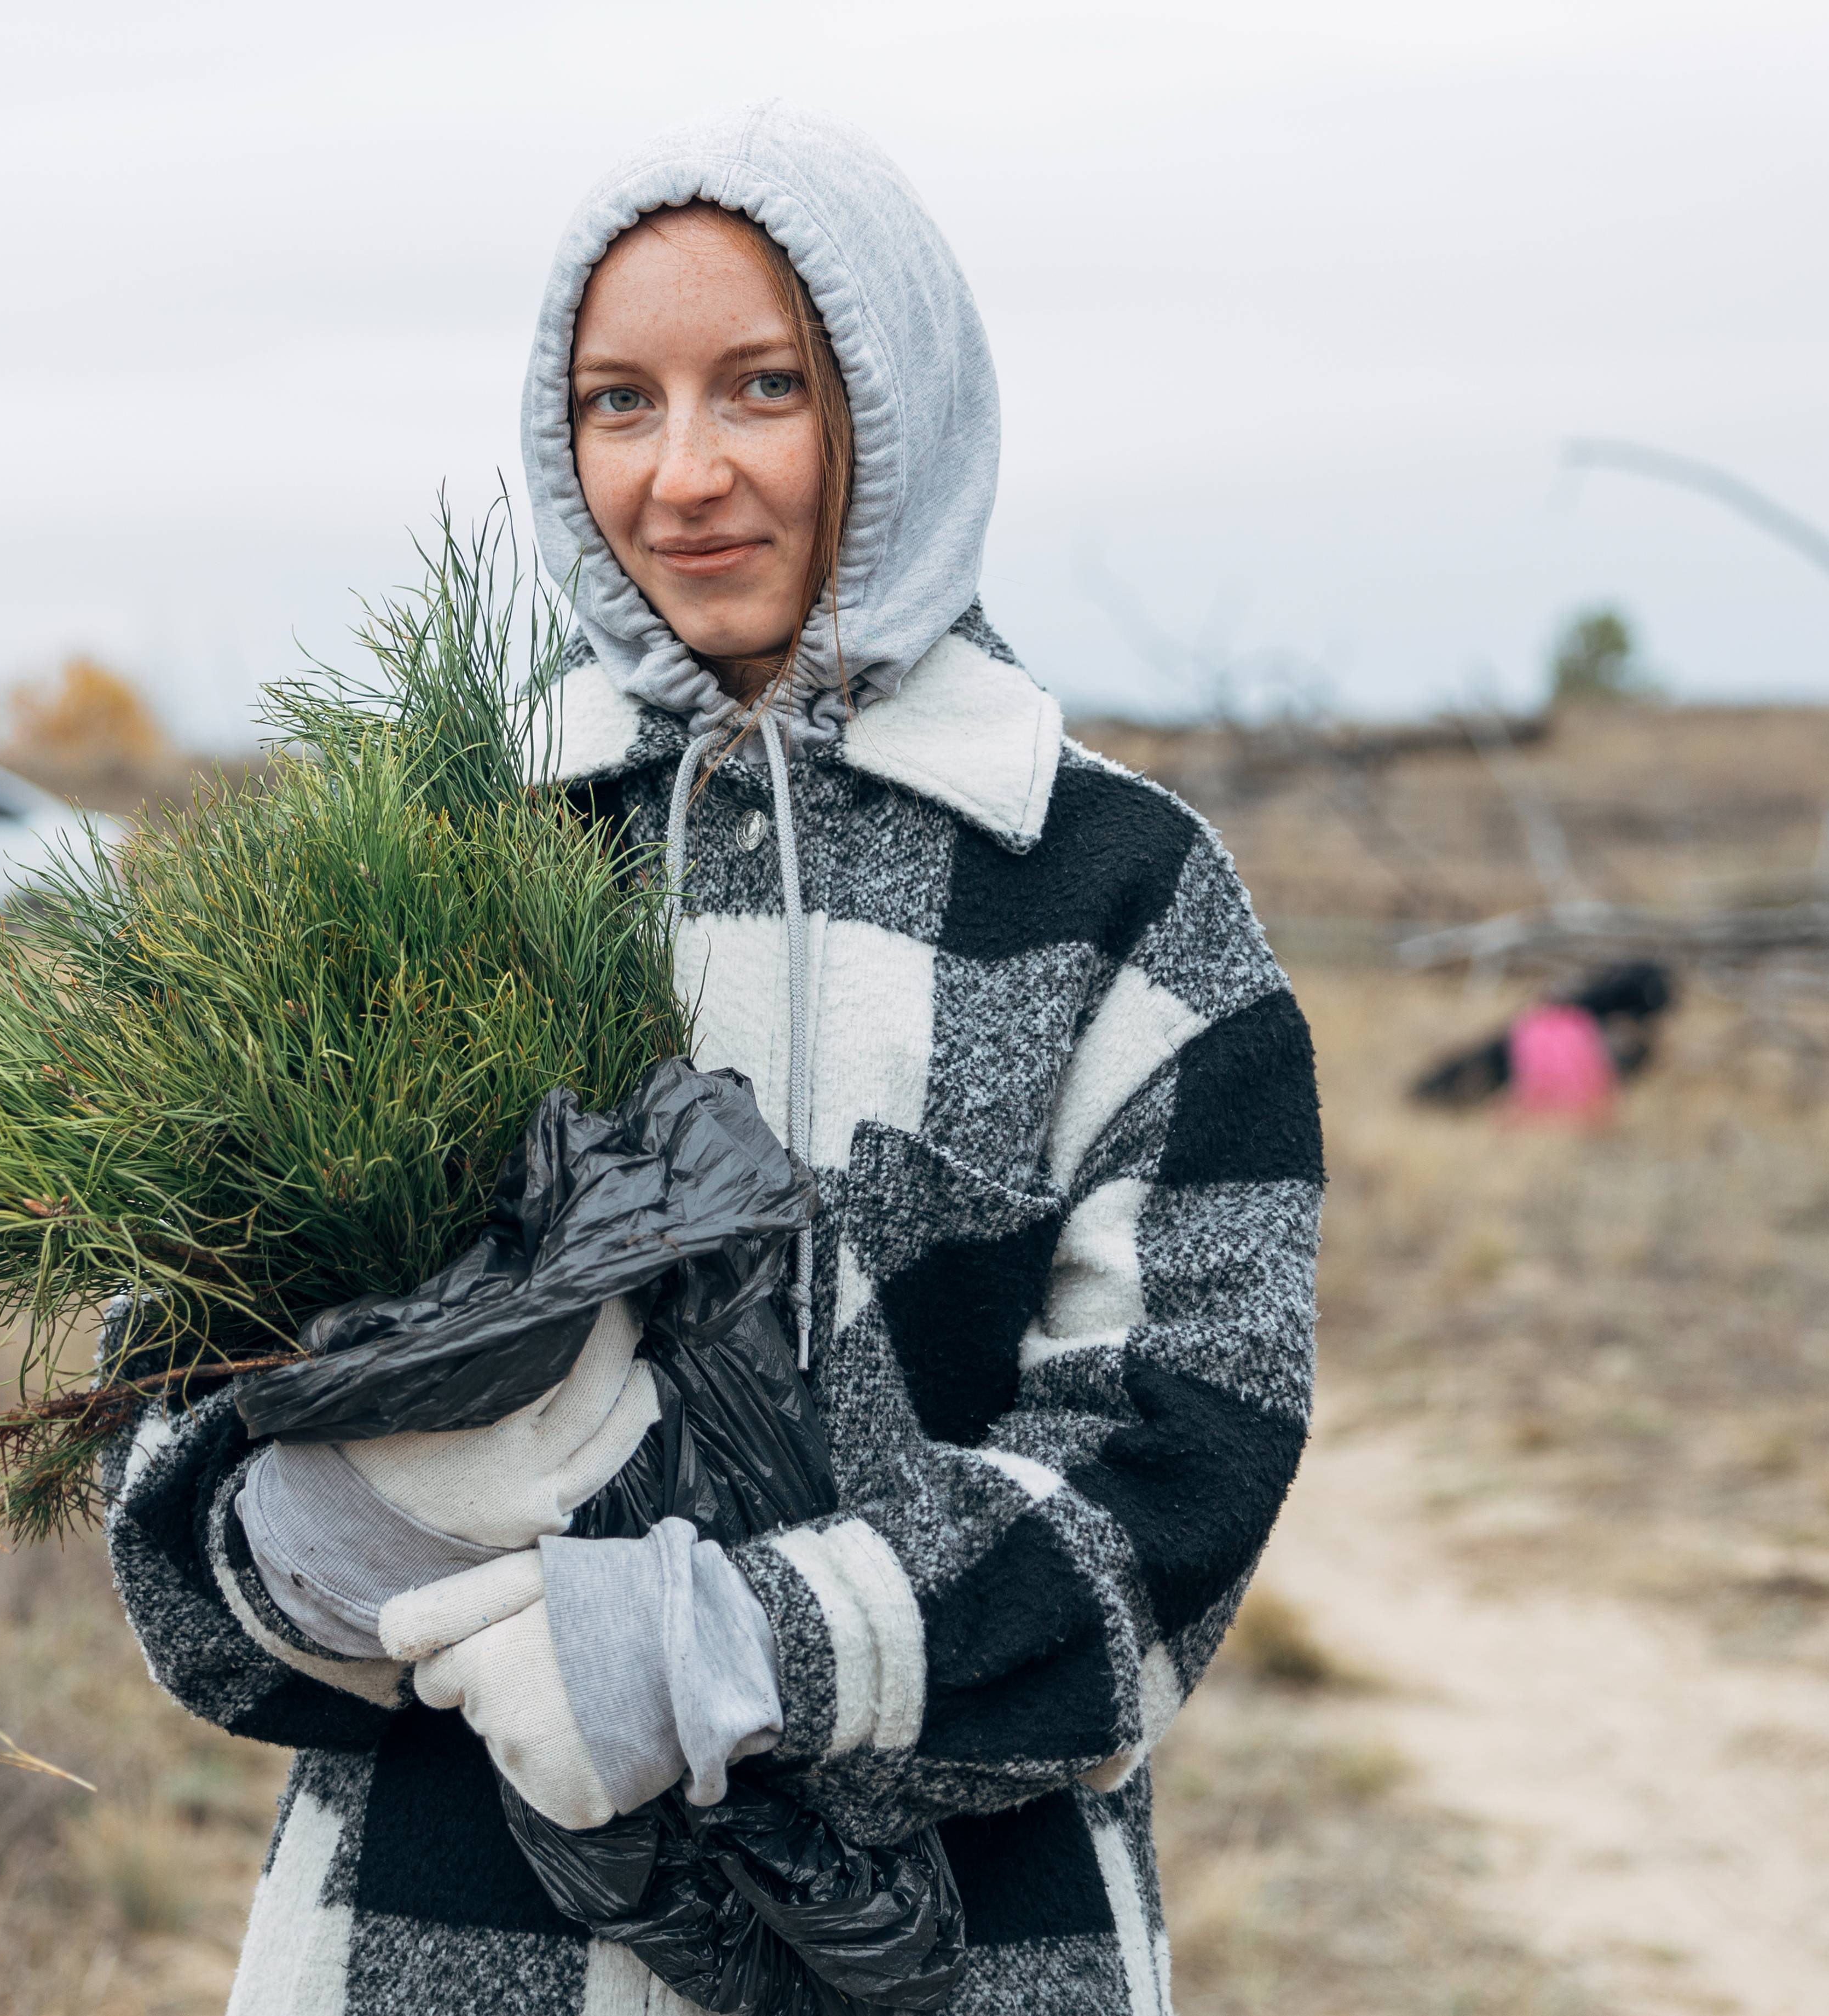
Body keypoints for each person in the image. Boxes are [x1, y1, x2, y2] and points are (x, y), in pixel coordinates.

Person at [109, 103, 1322, 2016]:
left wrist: (736, 1649)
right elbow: (166, 1432)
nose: (682, 475)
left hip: (975, 1950)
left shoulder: (1115, 894)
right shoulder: (434, 858)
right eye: (617, 401)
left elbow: (1176, 1489)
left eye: (762, 385)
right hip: (439, 1945)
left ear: (893, 406)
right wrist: (313, 1550)